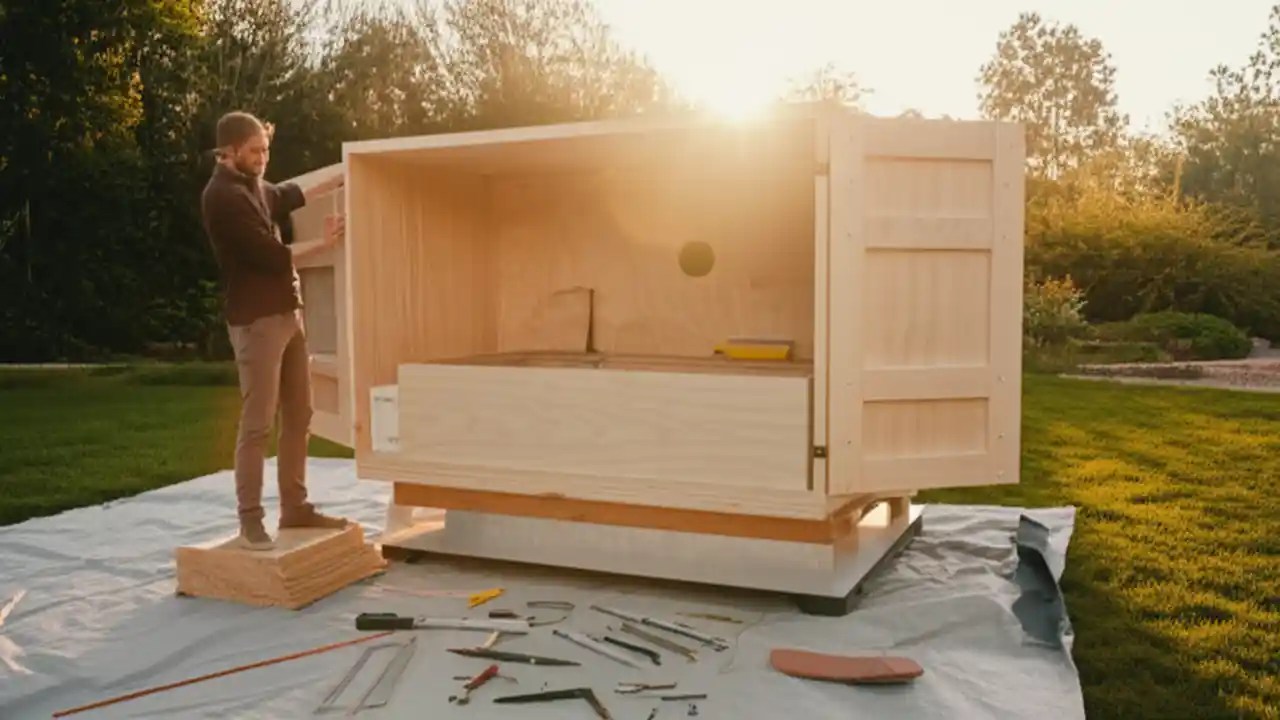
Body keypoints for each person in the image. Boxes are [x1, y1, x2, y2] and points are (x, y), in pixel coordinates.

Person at [201, 110, 351, 550]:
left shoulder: (251, 186)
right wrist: (325, 241)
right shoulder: (222, 198)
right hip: (257, 323)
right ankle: (251, 520)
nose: (263, 158)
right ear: (227, 153)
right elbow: (273, 255)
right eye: (254, 152)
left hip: (288, 315)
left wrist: (346, 170)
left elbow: (287, 194)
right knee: (257, 424)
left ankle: (295, 509)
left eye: (266, 149)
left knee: (300, 414)